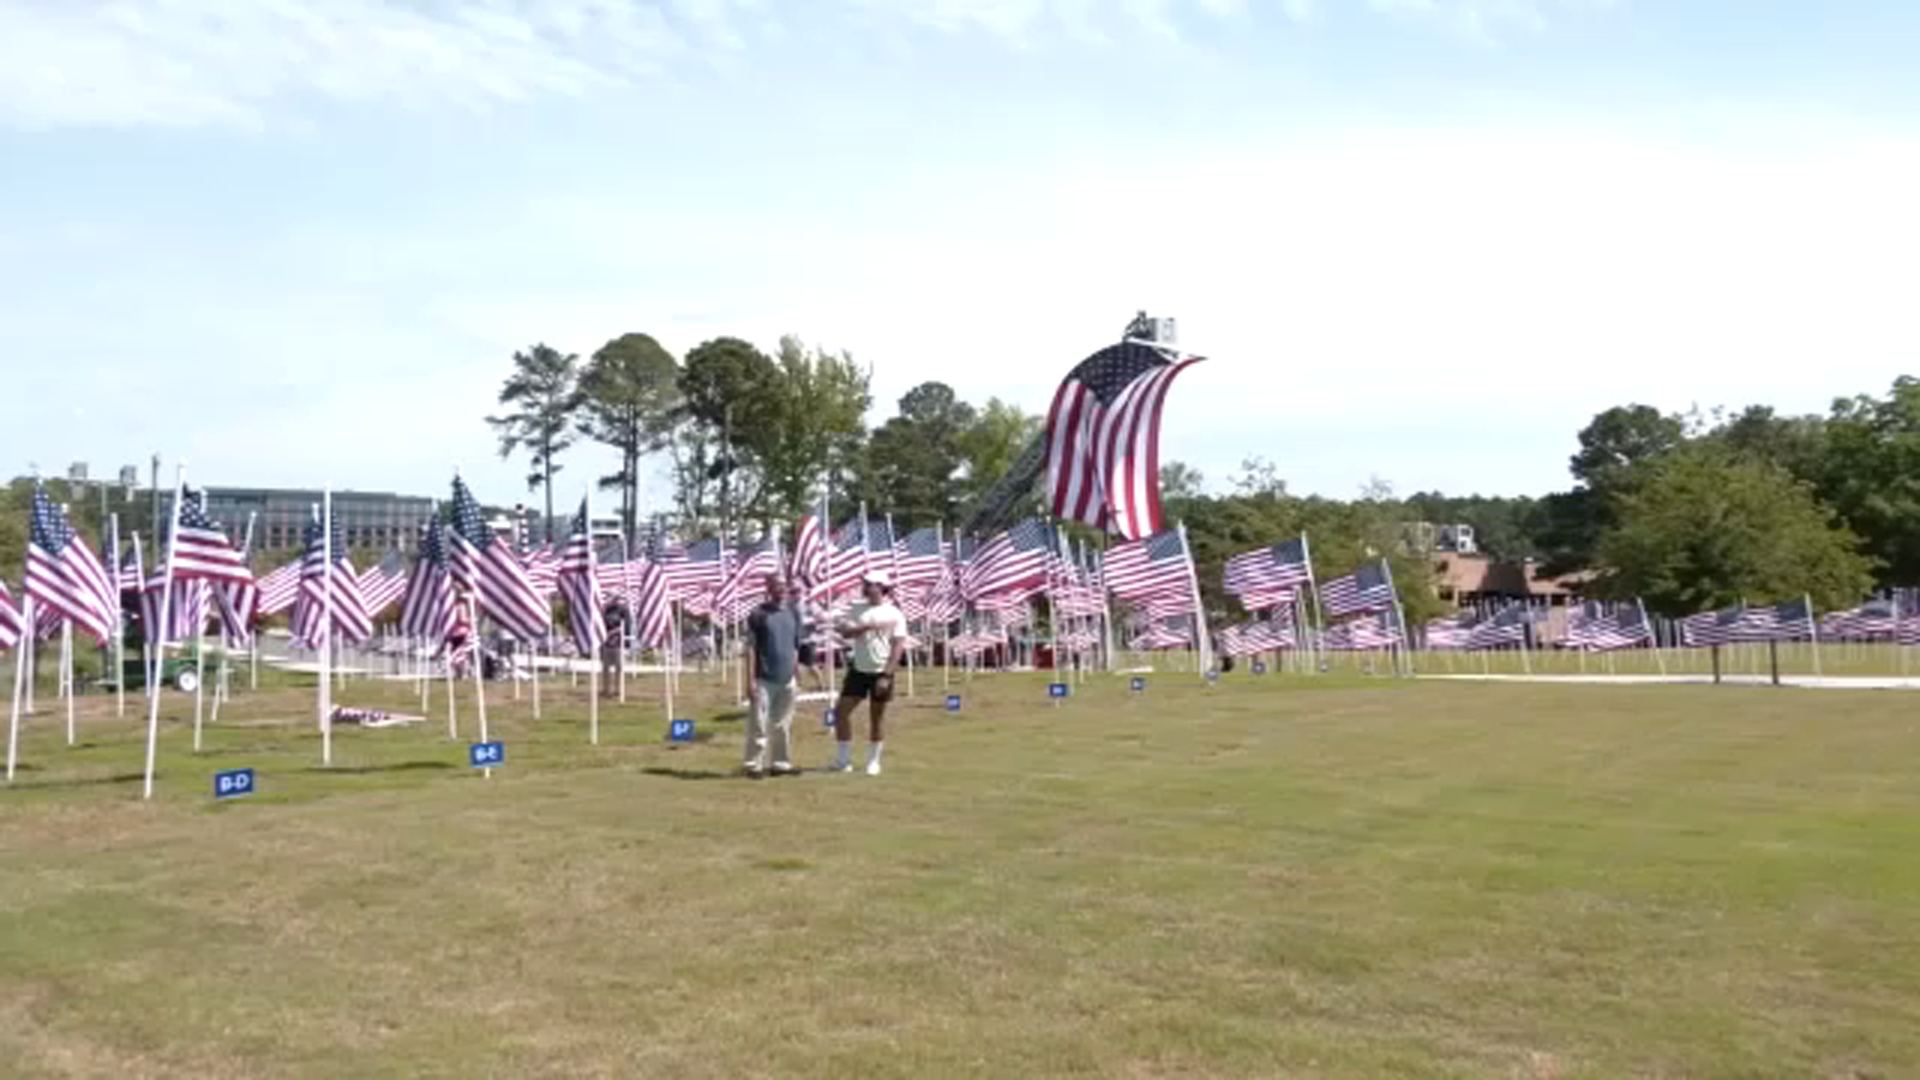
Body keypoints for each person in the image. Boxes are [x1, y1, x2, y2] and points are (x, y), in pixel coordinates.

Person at [831, 570, 908, 776]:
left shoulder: (894, 613)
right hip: (858, 669)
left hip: (880, 670)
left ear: (881, 588)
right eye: (865, 584)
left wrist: (887, 675)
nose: (865, 588)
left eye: (869, 584)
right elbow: (845, 632)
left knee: (876, 717)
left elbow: (898, 646)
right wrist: (866, 626)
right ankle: (843, 760)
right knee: (841, 713)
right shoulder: (857, 608)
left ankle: (873, 762)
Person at [743, 574, 803, 779]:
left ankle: (780, 764)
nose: (782, 590)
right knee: (758, 724)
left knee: (782, 724)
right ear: (768, 588)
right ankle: (753, 765)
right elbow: (751, 648)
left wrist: (796, 671)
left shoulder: (794, 612)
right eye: (777, 586)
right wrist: (750, 679)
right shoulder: (758, 614)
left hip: (787, 679)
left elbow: (795, 646)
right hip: (764, 678)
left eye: (784, 585)